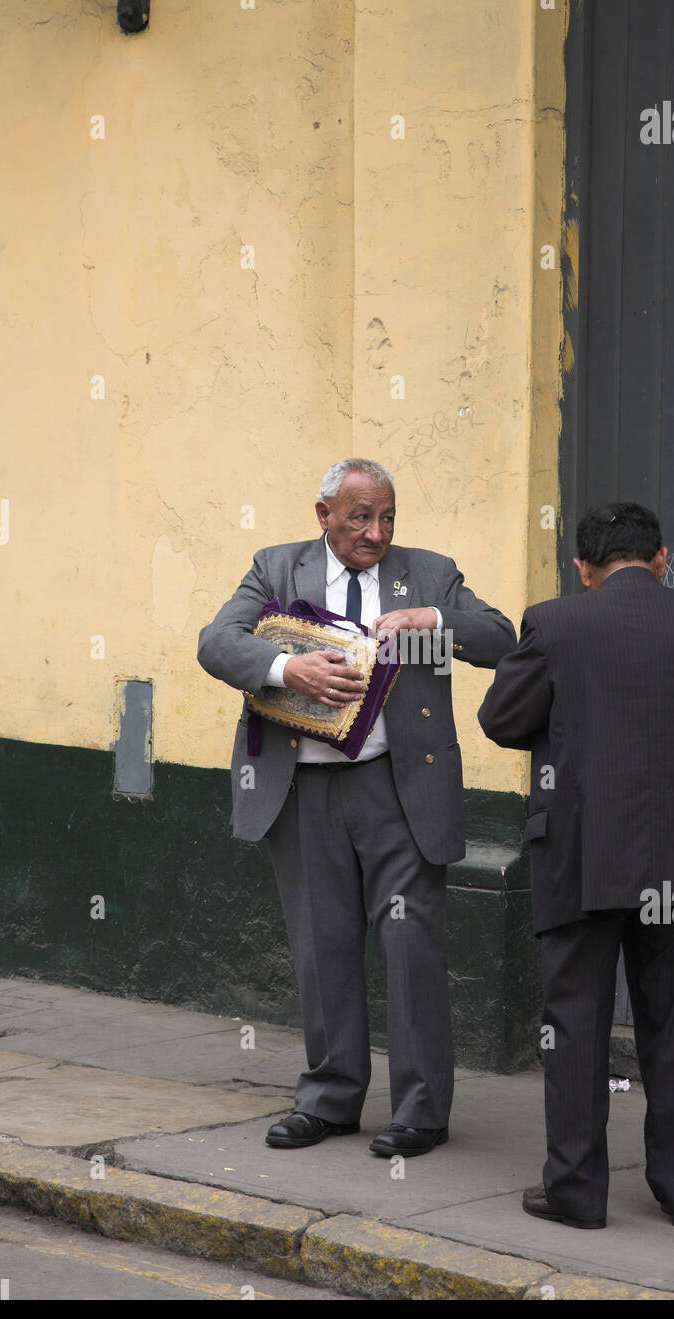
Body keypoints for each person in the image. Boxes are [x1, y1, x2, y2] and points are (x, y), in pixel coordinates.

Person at [478, 502, 674, 1228]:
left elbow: (501, 720)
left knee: (575, 1025)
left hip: (580, 861)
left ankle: (576, 1193)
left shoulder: (555, 623)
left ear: (584, 569)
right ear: (662, 559)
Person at [198, 458, 515, 1158]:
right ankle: (331, 1099)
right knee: (321, 945)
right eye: (359, 518)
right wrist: (287, 668)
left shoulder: (428, 573)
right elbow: (216, 643)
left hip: (398, 791)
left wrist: (435, 619)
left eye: (387, 518)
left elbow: (500, 639)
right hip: (302, 790)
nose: (376, 532)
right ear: (323, 516)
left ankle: (420, 1112)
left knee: (410, 948)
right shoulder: (276, 569)